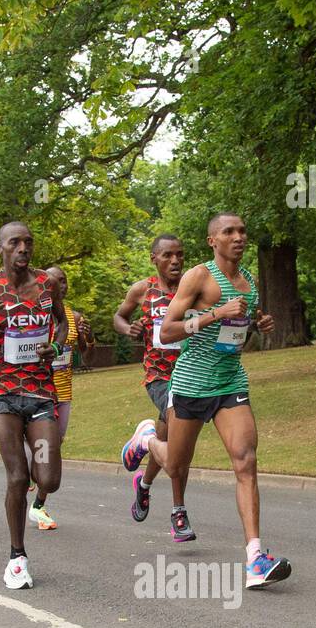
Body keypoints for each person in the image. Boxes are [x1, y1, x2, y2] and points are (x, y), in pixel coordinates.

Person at [119, 213, 292, 589]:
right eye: (229, 232)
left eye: (242, 231)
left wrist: (255, 326)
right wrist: (215, 314)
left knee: (246, 461)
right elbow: (167, 331)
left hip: (230, 382)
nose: (238, 237)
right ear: (213, 240)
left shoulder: (249, 283)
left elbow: (236, 335)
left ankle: (255, 558)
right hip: (190, 385)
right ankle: (147, 440)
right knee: (175, 465)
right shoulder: (198, 276)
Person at [0, 222, 66, 589]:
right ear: (0, 249)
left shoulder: (46, 284)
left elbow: (61, 324)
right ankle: (17, 557)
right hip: (1, 391)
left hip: (40, 391)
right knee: (17, 476)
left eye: (28, 242)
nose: (23, 248)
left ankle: (34, 452)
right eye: (14, 243)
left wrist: (56, 346)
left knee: (48, 479)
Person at [113, 234, 195, 540]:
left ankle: (144, 481)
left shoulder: (193, 288)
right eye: (168, 255)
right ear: (154, 259)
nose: (175, 261)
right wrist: (129, 329)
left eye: (180, 255)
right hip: (159, 377)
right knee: (180, 447)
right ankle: (179, 513)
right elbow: (119, 317)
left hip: (190, 375)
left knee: (167, 441)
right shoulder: (142, 290)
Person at [27, 265, 94, 530]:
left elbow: (86, 357)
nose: (60, 285)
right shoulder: (34, 312)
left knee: (53, 450)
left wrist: (87, 337)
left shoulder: (74, 317)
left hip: (63, 393)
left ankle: (39, 505)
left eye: (63, 281)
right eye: (54, 281)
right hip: (37, 392)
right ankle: (31, 480)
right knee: (41, 450)